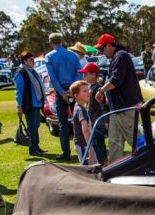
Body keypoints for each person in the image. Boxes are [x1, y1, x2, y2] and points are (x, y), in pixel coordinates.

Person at [94, 33, 143, 162]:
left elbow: (116, 80)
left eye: (101, 49)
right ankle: (115, 169)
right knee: (114, 142)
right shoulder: (117, 57)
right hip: (117, 109)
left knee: (137, 141)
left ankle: (149, 163)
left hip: (126, 108)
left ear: (109, 46)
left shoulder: (121, 56)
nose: (101, 53)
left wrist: (101, 90)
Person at [45, 32, 81, 161]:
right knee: (79, 120)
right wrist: (72, 90)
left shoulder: (49, 57)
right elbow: (79, 73)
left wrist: (62, 93)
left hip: (61, 91)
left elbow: (53, 78)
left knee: (63, 124)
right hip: (73, 89)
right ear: (62, 41)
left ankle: (66, 153)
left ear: (51, 43)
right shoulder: (73, 55)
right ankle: (83, 149)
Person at [15, 50, 47, 157]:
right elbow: (19, 91)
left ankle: (36, 147)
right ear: (24, 61)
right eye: (31, 59)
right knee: (32, 127)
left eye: (33, 59)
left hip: (36, 104)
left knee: (36, 125)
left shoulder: (32, 71)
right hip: (29, 104)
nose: (33, 61)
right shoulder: (21, 73)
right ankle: (32, 148)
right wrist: (19, 106)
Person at [80, 61, 108, 164]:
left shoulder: (98, 88)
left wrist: (106, 121)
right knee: (97, 144)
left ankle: (104, 165)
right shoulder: (92, 87)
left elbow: (103, 105)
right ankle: (102, 163)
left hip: (98, 121)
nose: (84, 75)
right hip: (93, 120)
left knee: (98, 144)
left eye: (86, 73)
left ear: (93, 74)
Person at [69, 80, 96, 164]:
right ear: (76, 95)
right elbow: (85, 129)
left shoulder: (80, 107)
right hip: (83, 145)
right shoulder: (80, 110)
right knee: (88, 170)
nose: (88, 92)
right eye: (84, 91)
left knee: (94, 166)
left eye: (88, 90)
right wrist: (89, 148)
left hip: (85, 144)